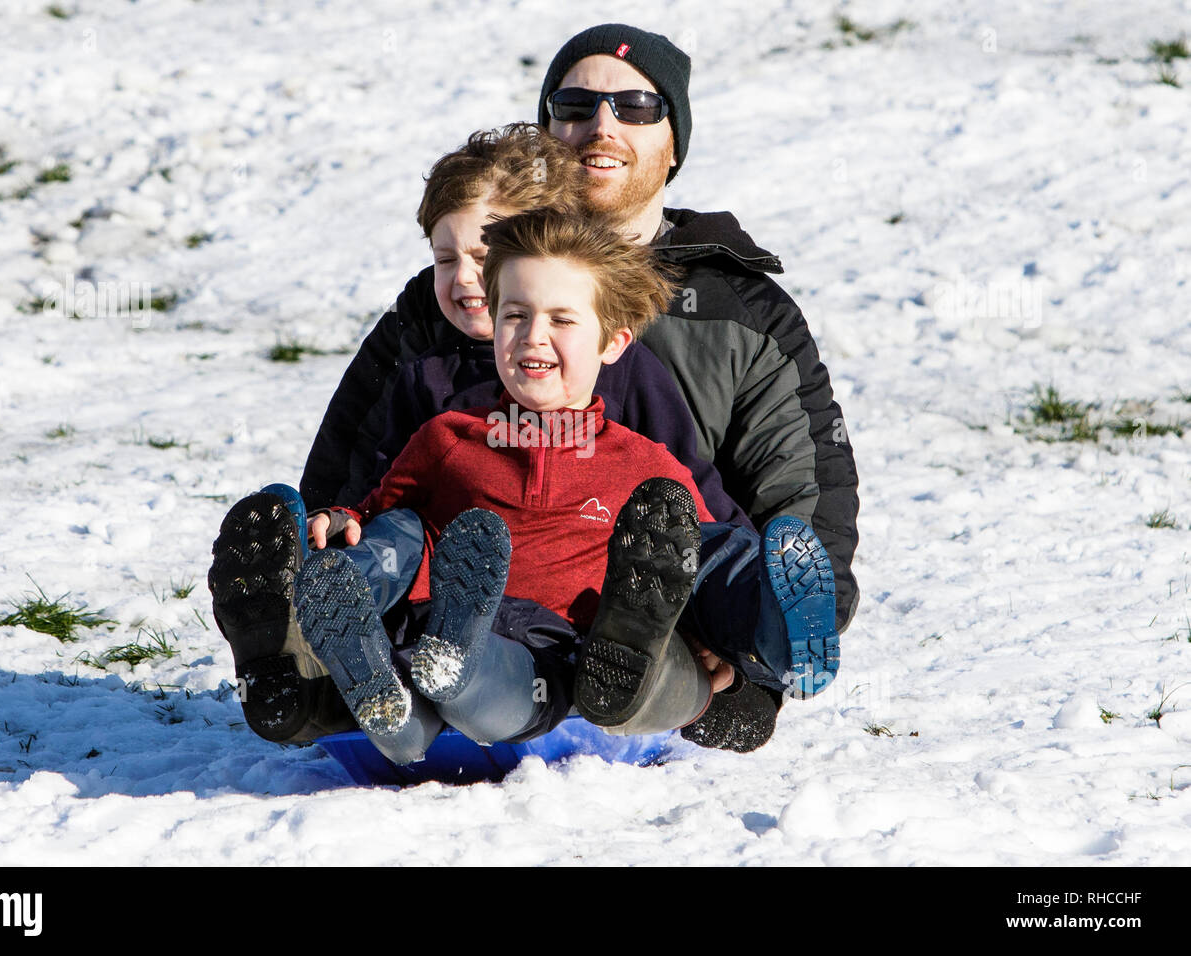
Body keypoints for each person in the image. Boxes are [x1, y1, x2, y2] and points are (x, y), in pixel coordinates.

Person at [296, 24, 857, 749]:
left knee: (688, 569)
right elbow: (355, 481)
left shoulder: (739, 312)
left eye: (635, 106)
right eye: (575, 102)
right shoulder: (447, 299)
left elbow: (800, 508)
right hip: (479, 619)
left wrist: (748, 649)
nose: (601, 124)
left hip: (685, 651)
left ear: (675, 141)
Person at [290, 208, 738, 764]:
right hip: (429, 627)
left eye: (562, 320)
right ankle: (384, 692)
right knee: (419, 645)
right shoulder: (448, 438)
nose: (533, 337)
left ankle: (442, 681)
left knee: (497, 675)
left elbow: (695, 555)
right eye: (515, 315)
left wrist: (709, 637)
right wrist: (341, 521)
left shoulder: (644, 465)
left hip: (556, 660)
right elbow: (381, 512)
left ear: (614, 341)